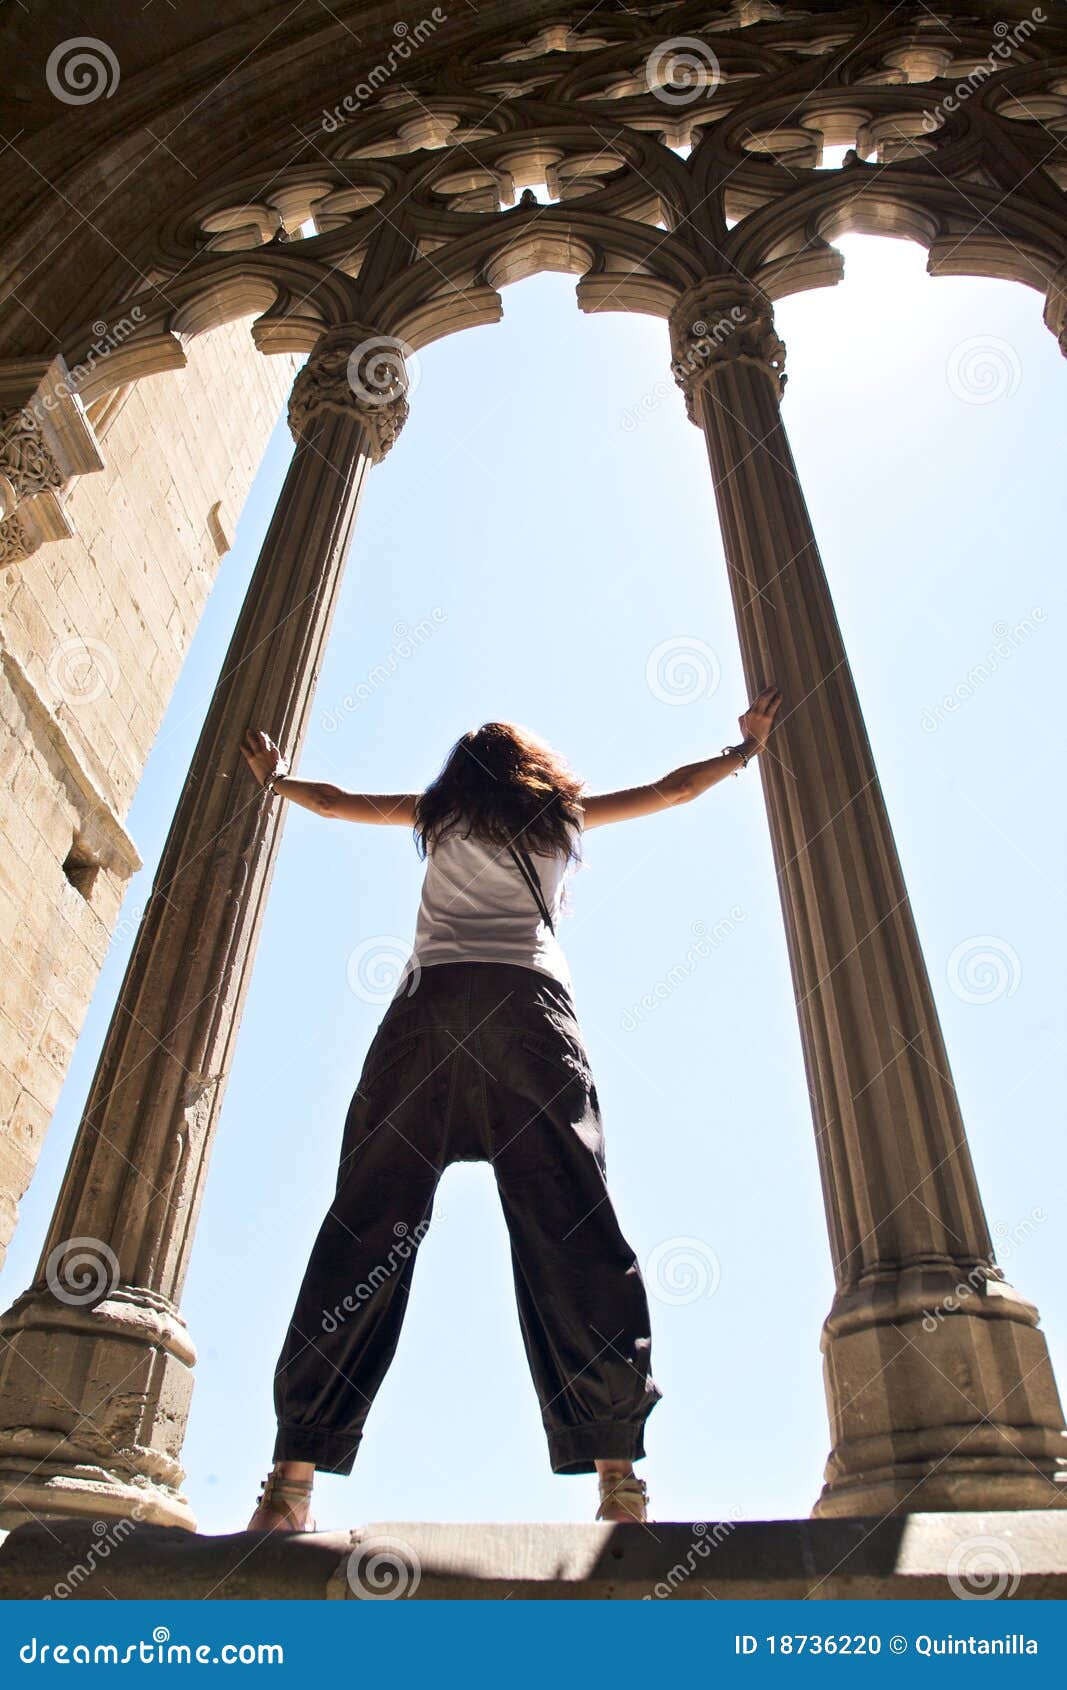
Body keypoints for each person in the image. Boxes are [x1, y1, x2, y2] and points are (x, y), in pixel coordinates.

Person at [240, 686, 782, 1532]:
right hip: (527, 1017)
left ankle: (289, 1484)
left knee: (365, 1230)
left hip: (428, 1018)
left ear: (462, 772)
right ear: (532, 768)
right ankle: (617, 1481)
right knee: (572, 1231)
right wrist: (742, 749)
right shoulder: (558, 817)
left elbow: (337, 802)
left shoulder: (437, 814)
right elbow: (673, 790)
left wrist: (278, 781)